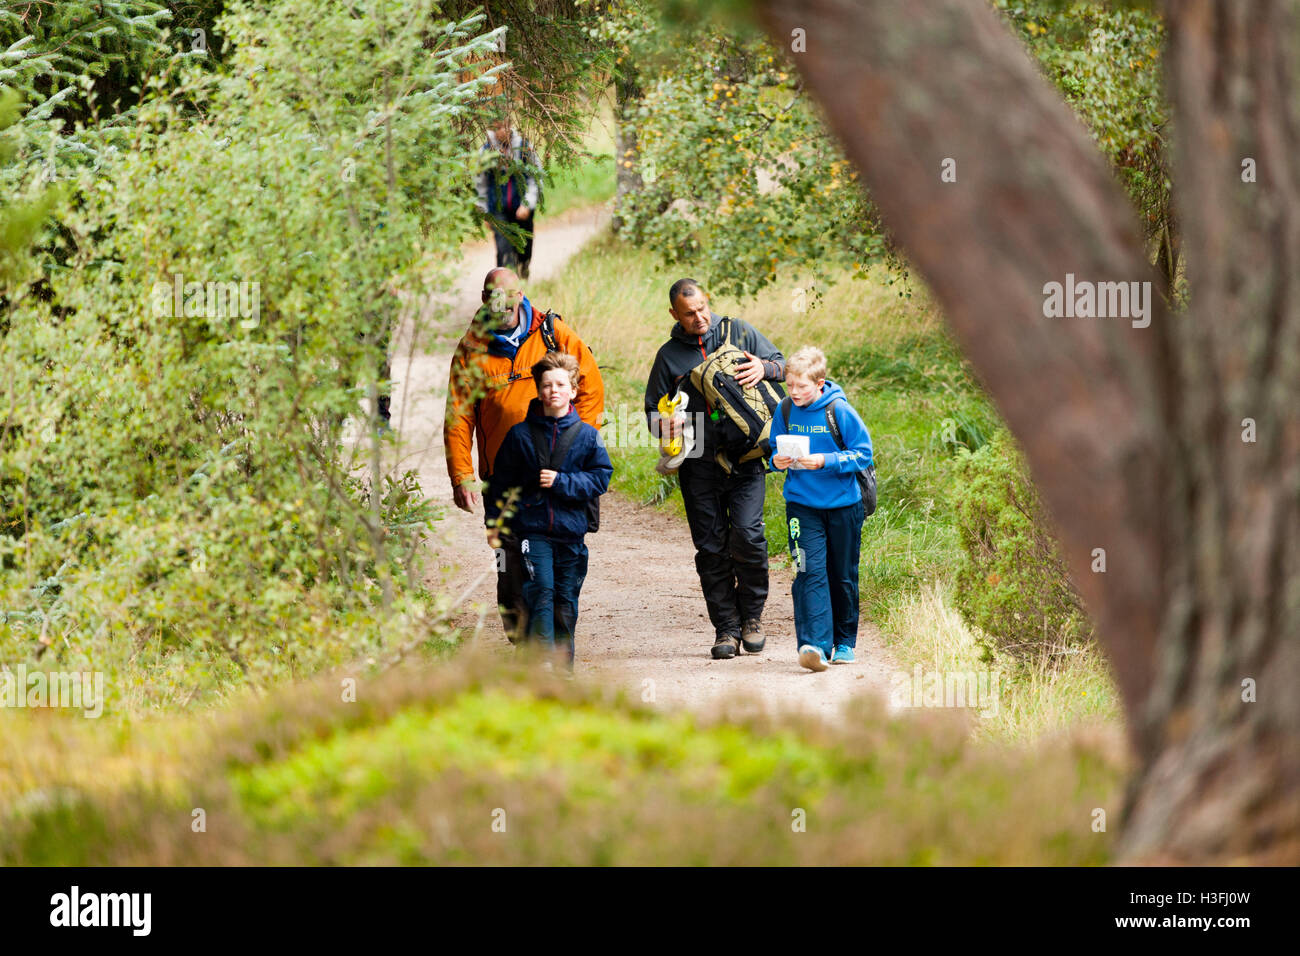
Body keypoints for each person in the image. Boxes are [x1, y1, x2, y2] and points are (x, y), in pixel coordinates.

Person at [444, 267, 605, 642]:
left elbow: (591, 387)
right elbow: (458, 415)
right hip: (504, 480)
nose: (501, 304)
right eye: (492, 297)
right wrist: (461, 474)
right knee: (509, 564)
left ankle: (557, 649)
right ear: (484, 300)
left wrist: (581, 443)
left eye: (507, 295)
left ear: (520, 295)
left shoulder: (553, 334)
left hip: (558, 477)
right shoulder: (471, 350)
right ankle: (524, 645)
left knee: (563, 564)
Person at [643, 278, 786, 660]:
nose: (699, 317)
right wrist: (663, 424)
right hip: (698, 461)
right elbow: (651, 412)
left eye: (703, 308)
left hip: (747, 459)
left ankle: (752, 619)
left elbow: (783, 365)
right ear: (674, 314)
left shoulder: (739, 331)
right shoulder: (668, 356)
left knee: (748, 536)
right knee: (711, 548)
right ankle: (726, 628)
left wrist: (765, 369)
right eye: (689, 313)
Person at [485, 353, 612, 670]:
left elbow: (600, 477)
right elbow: (500, 485)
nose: (553, 390)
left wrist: (562, 482)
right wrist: (495, 526)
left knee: (565, 600)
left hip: (571, 532)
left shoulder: (586, 436)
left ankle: (562, 668)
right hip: (532, 531)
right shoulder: (519, 436)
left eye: (560, 384)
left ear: (572, 390)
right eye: (546, 385)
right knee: (539, 591)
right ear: (539, 391)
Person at [768, 347, 874, 672]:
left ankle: (844, 642)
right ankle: (813, 645)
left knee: (841, 575)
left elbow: (863, 454)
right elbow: (773, 449)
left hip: (844, 506)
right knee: (807, 570)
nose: (795, 392)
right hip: (801, 506)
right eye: (790, 385)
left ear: (820, 382)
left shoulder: (839, 411)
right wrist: (776, 460)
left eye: (802, 386)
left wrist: (825, 460)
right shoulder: (785, 410)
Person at [475, 120, 541, 279]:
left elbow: (535, 178)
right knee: (504, 251)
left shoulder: (524, 147)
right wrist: (484, 212)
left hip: (522, 208)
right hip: (498, 210)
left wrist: (527, 204)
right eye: (497, 128)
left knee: (524, 251)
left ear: (510, 125)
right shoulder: (486, 151)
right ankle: (505, 290)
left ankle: (523, 274)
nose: (502, 131)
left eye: (504, 126)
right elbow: (480, 184)